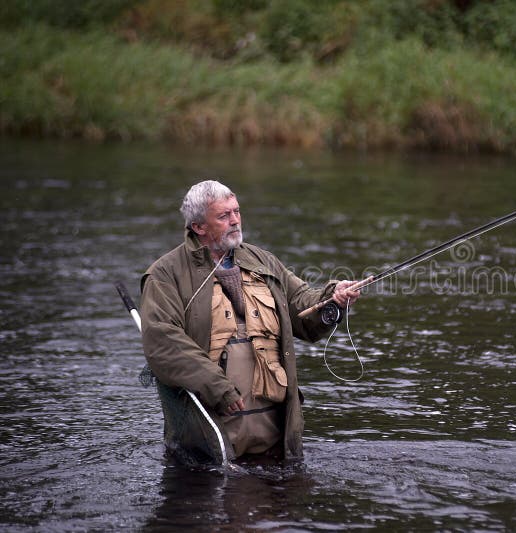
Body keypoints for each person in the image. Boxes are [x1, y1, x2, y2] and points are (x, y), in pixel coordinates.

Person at [139, 180, 363, 463]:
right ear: (198, 227)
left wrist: (333, 299)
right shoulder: (165, 275)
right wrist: (218, 388)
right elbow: (163, 343)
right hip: (208, 448)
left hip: (277, 446)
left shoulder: (263, 261)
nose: (235, 220)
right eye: (224, 216)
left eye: (236, 211)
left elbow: (302, 305)